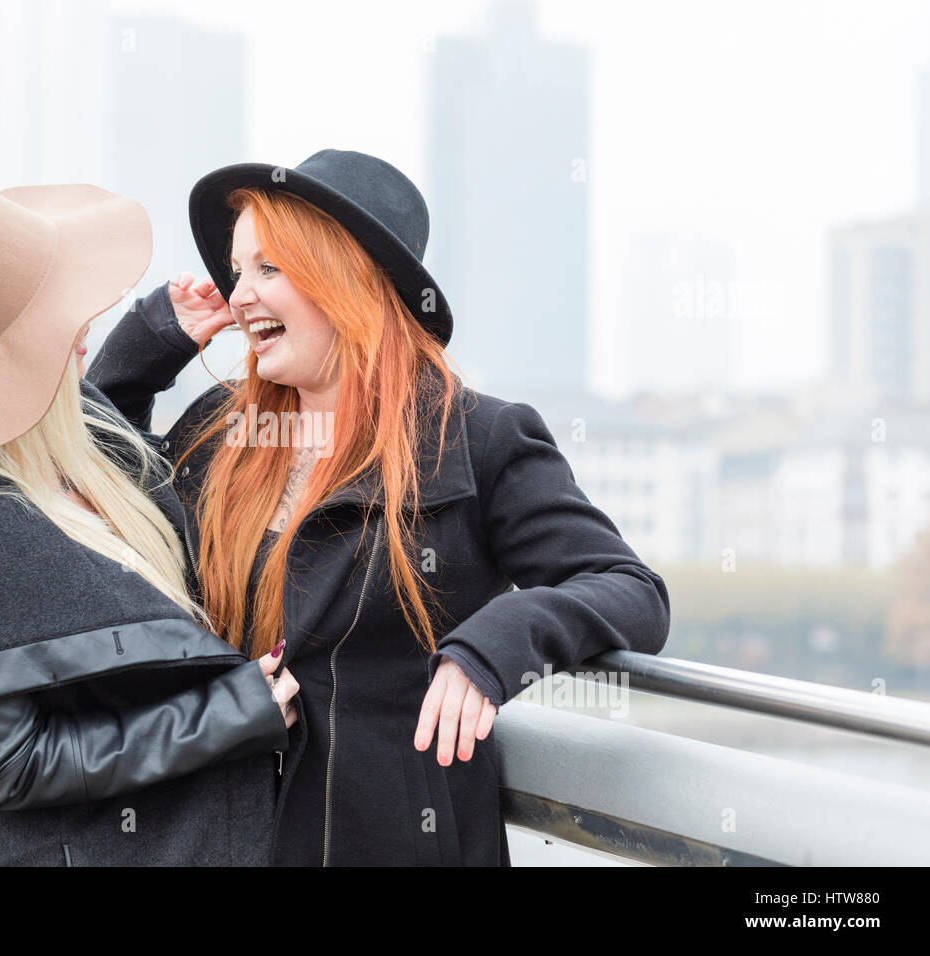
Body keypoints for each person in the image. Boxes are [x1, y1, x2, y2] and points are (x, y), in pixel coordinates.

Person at [85, 149, 671, 866]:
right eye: (237, 272)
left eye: (269, 268)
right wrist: (146, 348)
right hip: (220, 838)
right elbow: (87, 486)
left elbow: (629, 589)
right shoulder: (223, 431)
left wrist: (490, 649)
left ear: (350, 280)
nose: (239, 297)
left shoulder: (477, 438)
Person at [0, 184, 299, 866]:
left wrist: (157, 339)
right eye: (62, 313)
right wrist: (232, 715)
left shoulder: (25, 431)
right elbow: (12, 765)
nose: (85, 323)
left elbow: (81, 458)